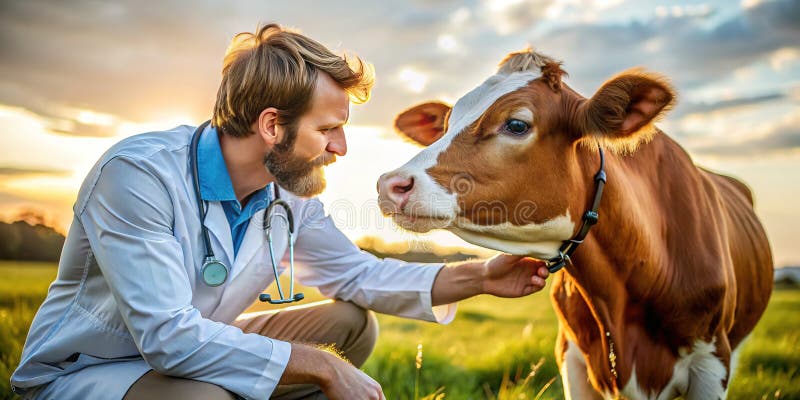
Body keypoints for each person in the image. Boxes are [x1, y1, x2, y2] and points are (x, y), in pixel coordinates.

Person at [11, 24, 550, 400]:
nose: (341, 148)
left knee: (347, 325)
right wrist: (317, 366)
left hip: (193, 343)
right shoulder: (137, 176)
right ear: (272, 126)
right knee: (202, 396)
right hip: (91, 371)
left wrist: (478, 275)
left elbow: (357, 274)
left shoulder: (287, 192)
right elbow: (168, 338)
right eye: (328, 129)